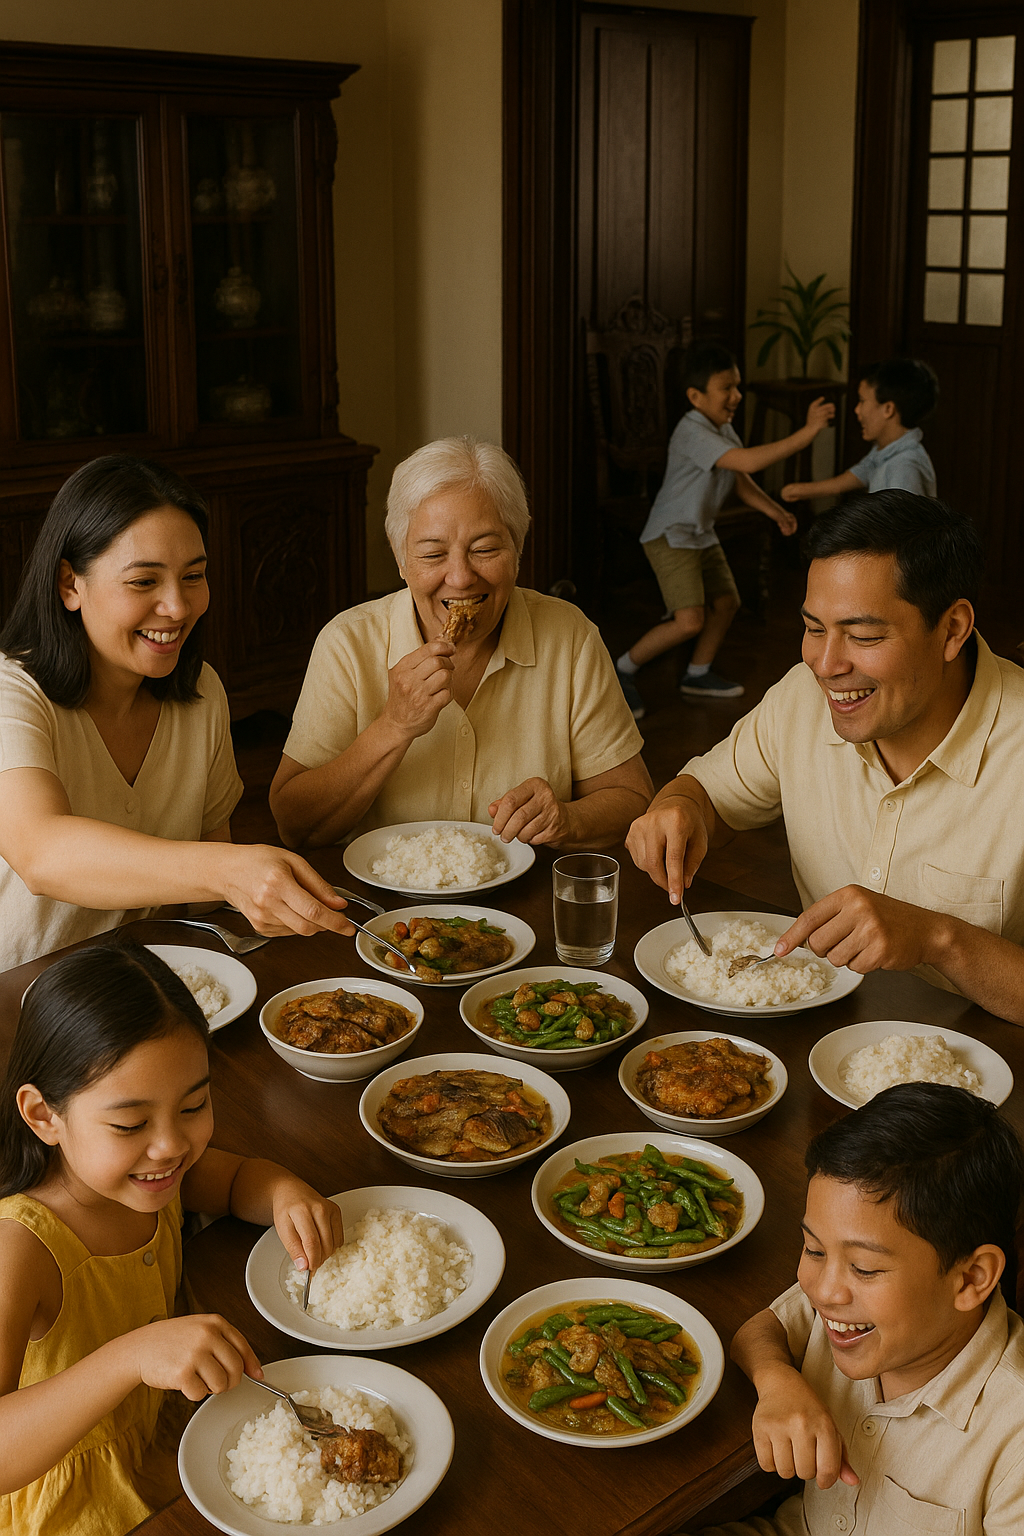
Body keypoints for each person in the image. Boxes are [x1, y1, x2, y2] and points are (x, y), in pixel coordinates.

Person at [626, 490, 1024, 1024]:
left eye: (862, 635)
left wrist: (938, 938)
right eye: (814, 628)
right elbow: (705, 796)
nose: (825, 663)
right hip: (819, 1049)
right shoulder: (801, 697)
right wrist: (677, 806)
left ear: (952, 629)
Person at [0, 942, 344, 1535]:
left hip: (178, 1439)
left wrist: (286, 1191)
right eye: (130, 1124)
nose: (172, 1146)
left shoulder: (153, 1176)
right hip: (75, 1505)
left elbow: (237, 1180)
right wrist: (132, 1355)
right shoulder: (21, 1247)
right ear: (43, 1117)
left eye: (195, 1105)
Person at [0, 455, 355, 973]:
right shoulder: (13, 690)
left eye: (194, 576)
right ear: (69, 585)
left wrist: (260, 896)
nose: (179, 606)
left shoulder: (202, 693)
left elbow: (199, 900)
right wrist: (230, 870)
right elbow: (41, 853)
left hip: (148, 981)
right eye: (144, 582)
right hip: (26, 996)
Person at [270, 436, 652, 849]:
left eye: (485, 549)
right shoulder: (347, 643)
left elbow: (632, 800)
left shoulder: (570, 637)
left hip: (527, 903)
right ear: (401, 561)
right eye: (433, 555)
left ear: (517, 550)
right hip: (387, 908)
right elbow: (295, 826)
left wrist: (568, 818)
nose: (461, 577)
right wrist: (393, 727)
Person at [703, 1083, 1024, 1536]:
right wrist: (777, 1380)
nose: (824, 1290)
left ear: (972, 1278)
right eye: (813, 1249)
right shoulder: (848, 1314)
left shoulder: (1014, 1440)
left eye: (865, 1267)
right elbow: (759, 1331)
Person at [615, 342, 833, 719]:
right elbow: (748, 460)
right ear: (695, 396)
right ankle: (621, 670)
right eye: (726, 388)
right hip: (671, 536)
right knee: (689, 620)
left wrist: (774, 511)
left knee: (727, 602)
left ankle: (697, 673)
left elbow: (741, 478)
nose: (735, 396)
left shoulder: (723, 428)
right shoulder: (692, 432)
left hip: (699, 533)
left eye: (737, 386)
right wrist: (809, 430)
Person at [782, 358, 938, 504]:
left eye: (862, 401)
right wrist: (800, 490)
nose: (857, 410)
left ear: (888, 409)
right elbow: (859, 474)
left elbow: (900, 530)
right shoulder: (888, 449)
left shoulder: (903, 467)